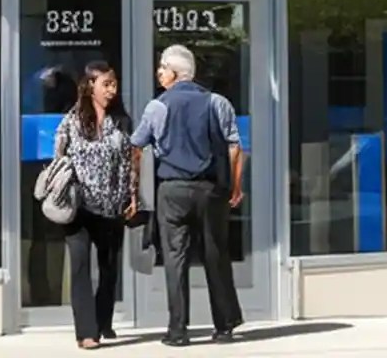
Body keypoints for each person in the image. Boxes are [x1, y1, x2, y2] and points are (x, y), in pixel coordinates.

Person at [131, 44, 245, 347]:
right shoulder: (217, 103)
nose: (158, 73)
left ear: (175, 72)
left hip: (172, 189)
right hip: (210, 190)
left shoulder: (157, 106)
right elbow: (235, 147)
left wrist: (136, 188)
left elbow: (137, 147)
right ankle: (224, 327)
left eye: (162, 68)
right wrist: (235, 185)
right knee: (215, 254)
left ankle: (178, 330)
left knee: (175, 259)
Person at [53, 61, 137, 350]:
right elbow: (59, 156)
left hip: (112, 206)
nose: (112, 90)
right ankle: (86, 332)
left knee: (109, 268)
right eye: (106, 84)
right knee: (79, 266)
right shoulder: (72, 120)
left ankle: (103, 322)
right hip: (79, 207)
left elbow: (130, 163)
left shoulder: (122, 121)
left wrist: (132, 197)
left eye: (114, 84)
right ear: (90, 86)